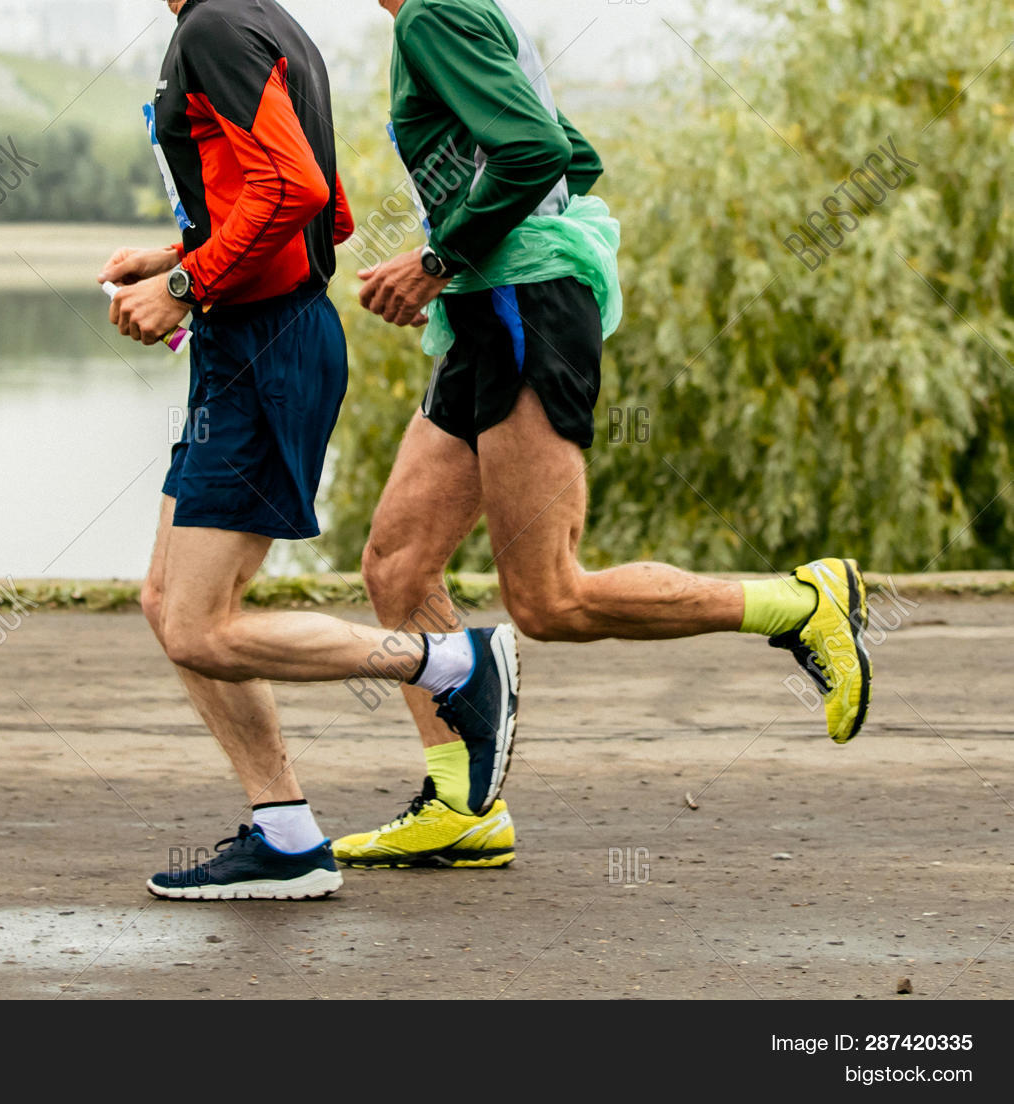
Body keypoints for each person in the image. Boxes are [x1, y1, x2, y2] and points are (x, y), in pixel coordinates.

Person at [332, 0, 872, 870]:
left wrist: (437, 260)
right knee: (396, 565)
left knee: (549, 599)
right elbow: (571, 148)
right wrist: (473, 257)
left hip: (521, 307)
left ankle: (803, 605)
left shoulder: (432, 13)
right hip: (490, 308)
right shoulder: (454, 14)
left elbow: (537, 153)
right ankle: (460, 805)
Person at [100, 0, 521, 901]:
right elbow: (328, 217)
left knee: (199, 624)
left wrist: (184, 283)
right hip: (247, 341)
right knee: (168, 601)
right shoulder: (267, 22)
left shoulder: (214, 29)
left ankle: (449, 662)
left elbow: (296, 192)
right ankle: (285, 832)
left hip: (261, 348)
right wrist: (180, 251)